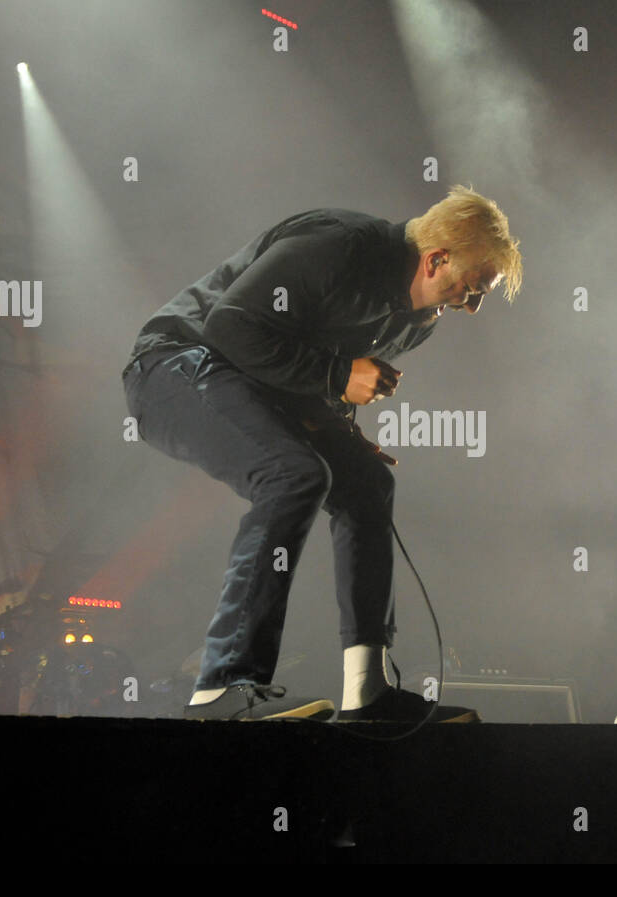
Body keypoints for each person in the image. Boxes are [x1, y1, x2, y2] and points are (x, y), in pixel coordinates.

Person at [122, 186, 522, 723]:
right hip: (174, 364)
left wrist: (336, 422)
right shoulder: (341, 247)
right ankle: (222, 687)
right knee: (293, 474)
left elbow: (295, 373)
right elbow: (230, 325)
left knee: (367, 484)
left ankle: (368, 693)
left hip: (250, 383)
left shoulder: (415, 322)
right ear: (437, 258)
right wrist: (337, 376)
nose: (471, 306)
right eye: (472, 289)